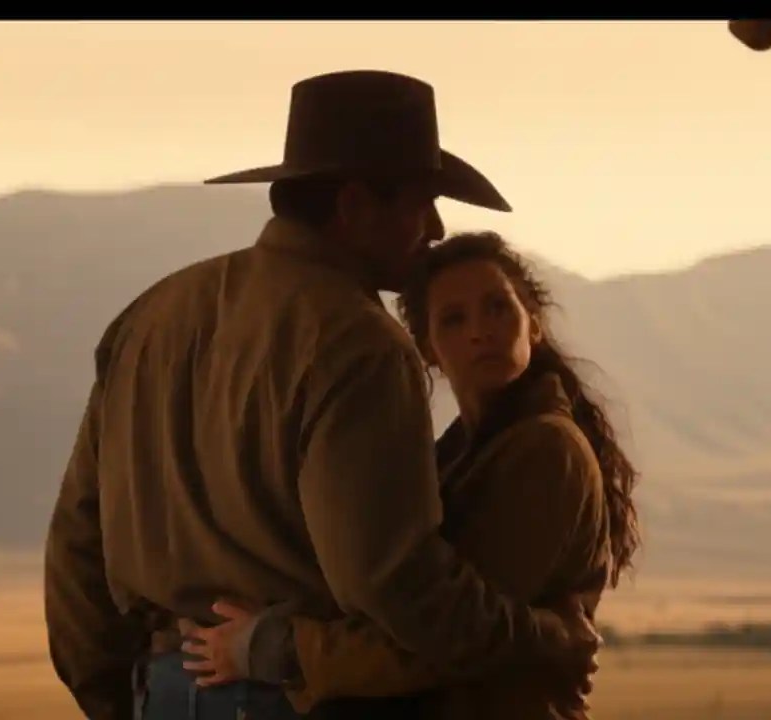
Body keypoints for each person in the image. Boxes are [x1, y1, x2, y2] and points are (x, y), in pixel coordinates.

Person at [42, 69, 600, 720]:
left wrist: (119, 699)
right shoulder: (358, 343)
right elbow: (391, 582)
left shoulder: (151, 317)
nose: (437, 228)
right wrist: (543, 638)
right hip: (295, 697)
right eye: (421, 201)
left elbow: (78, 546)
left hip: (162, 689)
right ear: (355, 207)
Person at [183, 231, 642, 719]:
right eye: (453, 319)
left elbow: (449, 636)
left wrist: (278, 648)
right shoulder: (459, 453)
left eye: (498, 308)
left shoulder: (545, 449)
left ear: (533, 324)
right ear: (427, 349)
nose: (480, 331)